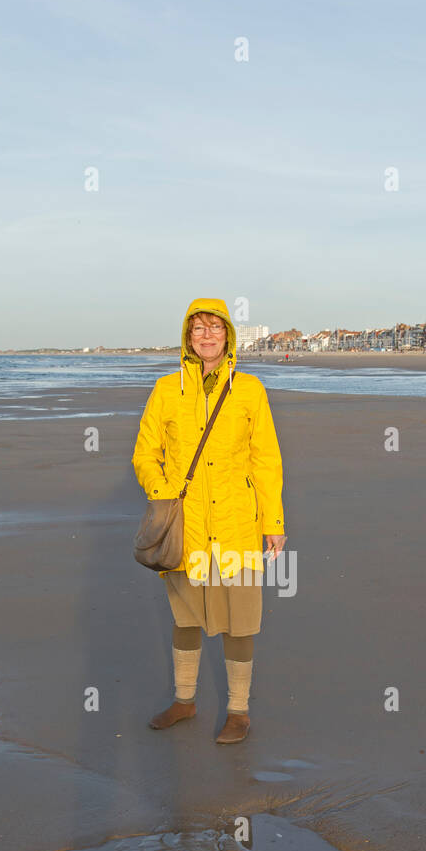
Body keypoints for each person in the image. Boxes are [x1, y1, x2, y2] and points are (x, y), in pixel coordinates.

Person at [132, 298, 286, 744]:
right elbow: (145, 454)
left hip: (238, 523)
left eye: (214, 327)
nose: (206, 335)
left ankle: (238, 711)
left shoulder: (250, 390)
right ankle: (184, 700)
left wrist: (273, 523)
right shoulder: (166, 390)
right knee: (185, 617)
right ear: (187, 337)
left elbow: (266, 461)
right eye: (197, 328)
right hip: (187, 527)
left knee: (240, 620)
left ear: (228, 336)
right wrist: (164, 495)